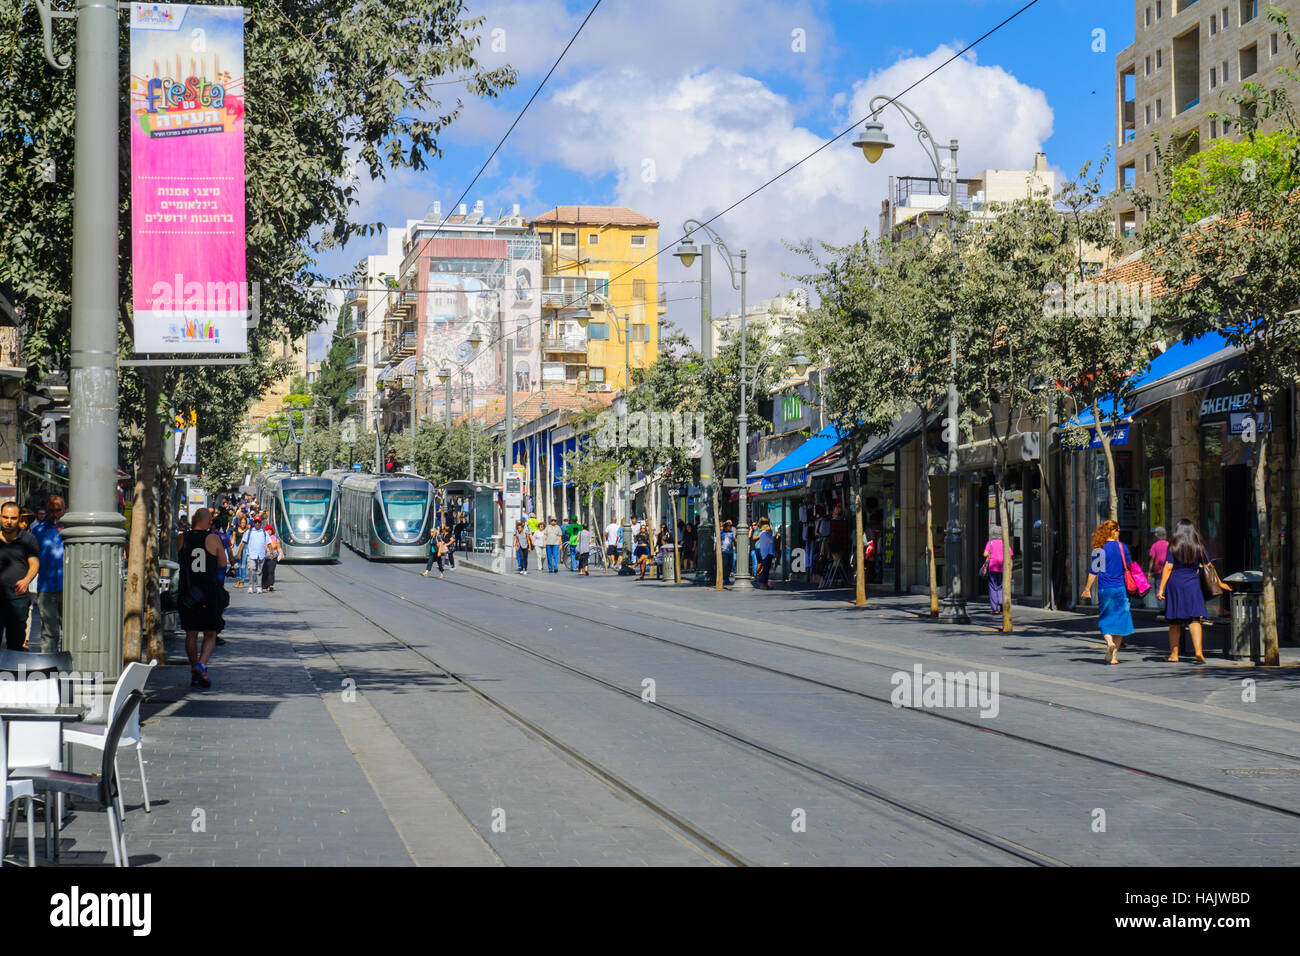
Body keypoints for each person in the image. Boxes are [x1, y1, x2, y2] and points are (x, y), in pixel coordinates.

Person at [1156, 518, 1227, 663]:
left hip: (1175, 583)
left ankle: (1174, 655)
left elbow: (1168, 567)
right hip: (1192, 584)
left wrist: (1161, 588)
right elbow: (1209, 567)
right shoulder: (1199, 546)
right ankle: (1199, 651)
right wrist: (1220, 582)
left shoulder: (1173, 546)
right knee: (1194, 619)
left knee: (1174, 621)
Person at [178, 507, 228, 689]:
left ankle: (194, 670)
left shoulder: (182, 538)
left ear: (193, 520)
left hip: (188, 593)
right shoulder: (213, 538)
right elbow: (223, 563)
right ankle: (202, 664)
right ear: (208, 522)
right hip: (208, 592)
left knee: (191, 633)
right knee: (210, 633)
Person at [1080, 519, 1135, 665]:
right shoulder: (1123, 547)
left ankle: (1109, 642)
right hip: (1120, 589)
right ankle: (1114, 657)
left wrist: (1087, 589)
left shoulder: (1100, 549)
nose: (1119, 533)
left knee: (1105, 617)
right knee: (1120, 620)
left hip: (1105, 589)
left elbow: (1094, 572)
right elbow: (1129, 566)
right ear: (1115, 531)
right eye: (1118, 530)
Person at [28, 494, 66, 653]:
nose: (55, 514)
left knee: (72, 631)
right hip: (47, 588)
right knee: (49, 633)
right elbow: (31, 558)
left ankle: (69, 664)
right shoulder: (38, 531)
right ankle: (49, 666)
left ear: (64, 510)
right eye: (51, 510)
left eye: (58, 510)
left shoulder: (72, 530)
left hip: (69, 589)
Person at [0, 502, 39, 651]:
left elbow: (34, 563)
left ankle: (12, 673)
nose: (9, 521)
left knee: (15, 645)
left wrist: (26, 580)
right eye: (5, 517)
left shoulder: (28, 539)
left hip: (18, 598)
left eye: (13, 518)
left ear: (19, 519)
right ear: (0, 517)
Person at [982, 527, 1013, 615]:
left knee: (993, 587)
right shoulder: (1005, 543)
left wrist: (990, 553)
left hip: (993, 568)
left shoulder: (990, 543)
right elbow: (1010, 557)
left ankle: (995, 609)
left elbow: (985, 554)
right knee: (1000, 586)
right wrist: (1010, 571)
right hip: (1003, 569)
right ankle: (1001, 602)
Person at [241, 516, 270, 594]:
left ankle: (259, 586)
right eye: (256, 522)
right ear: (254, 523)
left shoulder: (264, 532)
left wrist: (271, 553)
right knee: (251, 570)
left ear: (261, 523)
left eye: (259, 522)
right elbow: (243, 542)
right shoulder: (249, 531)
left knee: (259, 572)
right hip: (251, 554)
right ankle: (251, 586)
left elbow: (269, 543)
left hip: (261, 555)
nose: (257, 523)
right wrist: (238, 553)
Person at [755, 517, 776, 589]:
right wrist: (774, 535)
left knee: (766, 569)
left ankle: (765, 583)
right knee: (765, 569)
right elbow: (772, 540)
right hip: (767, 554)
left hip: (767, 553)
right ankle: (763, 584)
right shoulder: (764, 534)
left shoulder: (764, 534)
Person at [1147, 526, 1169, 592]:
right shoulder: (1168, 544)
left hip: (1158, 572)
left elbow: (1152, 560)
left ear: (1157, 535)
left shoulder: (1154, 545)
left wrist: (1149, 572)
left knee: (1159, 589)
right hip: (1168, 571)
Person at [262, 524, 281, 591]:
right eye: (267, 530)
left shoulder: (275, 538)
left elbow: (278, 548)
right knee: (264, 571)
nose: (268, 531)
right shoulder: (262, 537)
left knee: (271, 570)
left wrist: (281, 554)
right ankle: (264, 586)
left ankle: (271, 584)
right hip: (264, 557)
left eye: (270, 530)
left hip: (273, 557)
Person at [720, 520, 737, 585]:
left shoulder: (731, 533)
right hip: (723, 551)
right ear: (725, 527)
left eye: (730, 526)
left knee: (730, 565)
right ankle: (724, 578)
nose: (729, 527)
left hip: (730, 551)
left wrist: (736, 546)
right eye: (728, 526)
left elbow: (734, 540)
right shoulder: (721, 533)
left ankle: (727, 577)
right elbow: (717, 542)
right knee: (725, 565)